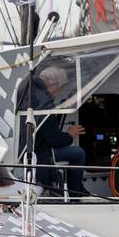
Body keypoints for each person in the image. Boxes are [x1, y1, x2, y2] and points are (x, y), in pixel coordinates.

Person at [24, 65, 87, 197]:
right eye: (61, 88)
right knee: (78, 153)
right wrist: (70, 134)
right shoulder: (45, 103)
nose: (60, 92)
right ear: (53, 85)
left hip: (29, 149)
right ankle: (76, 193)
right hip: (39, 153)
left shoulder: (30, 93)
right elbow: (55, 140)